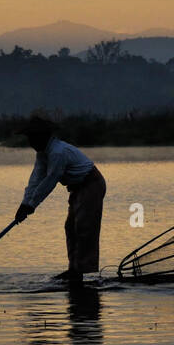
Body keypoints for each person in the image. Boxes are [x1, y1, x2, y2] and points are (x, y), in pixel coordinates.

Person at [14, 117, 106, 288]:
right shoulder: (43, 154)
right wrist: (24, 204)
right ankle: (74, 269)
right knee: (70, 227)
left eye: (32, 138)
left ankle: (79, 271)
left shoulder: (57, 152)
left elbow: (51, 180)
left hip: (91, 184)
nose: (30, 142)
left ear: (43, 137)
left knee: (83, 227)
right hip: (77, 188)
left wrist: (32, 205)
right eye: (29, 138)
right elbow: (36, 179)